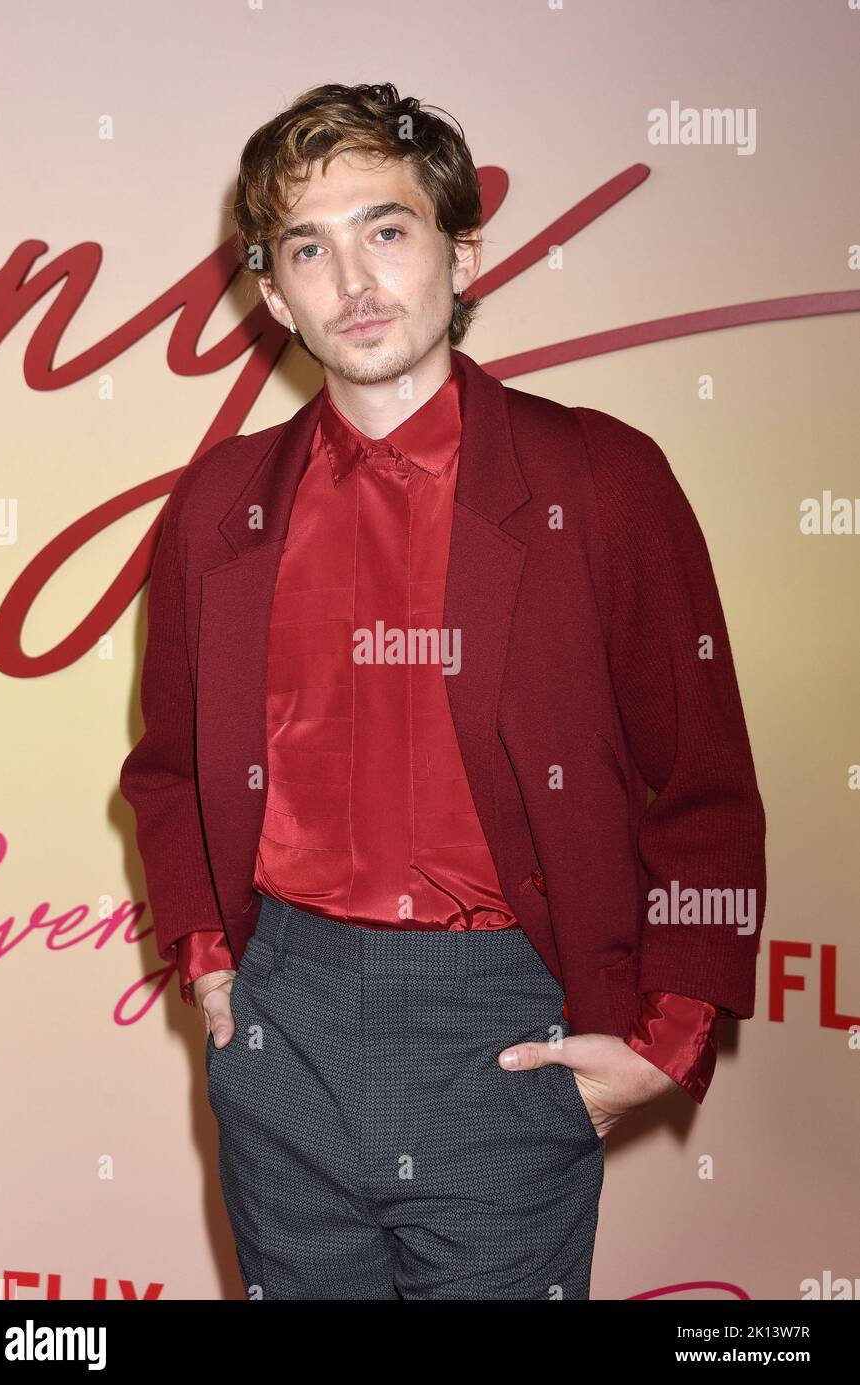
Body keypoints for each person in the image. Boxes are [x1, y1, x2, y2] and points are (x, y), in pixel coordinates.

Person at [119, 82, 766, 1300]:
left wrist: (668, 1036)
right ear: (272, 290)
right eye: (308, 246)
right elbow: (165, 771)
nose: (351, 279)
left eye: (387, 228)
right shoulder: (216, 505)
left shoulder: (602, 479)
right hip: (284, 1017)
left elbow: (702, 783)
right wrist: (213, 963)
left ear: (463, 249)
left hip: (506, 1016)